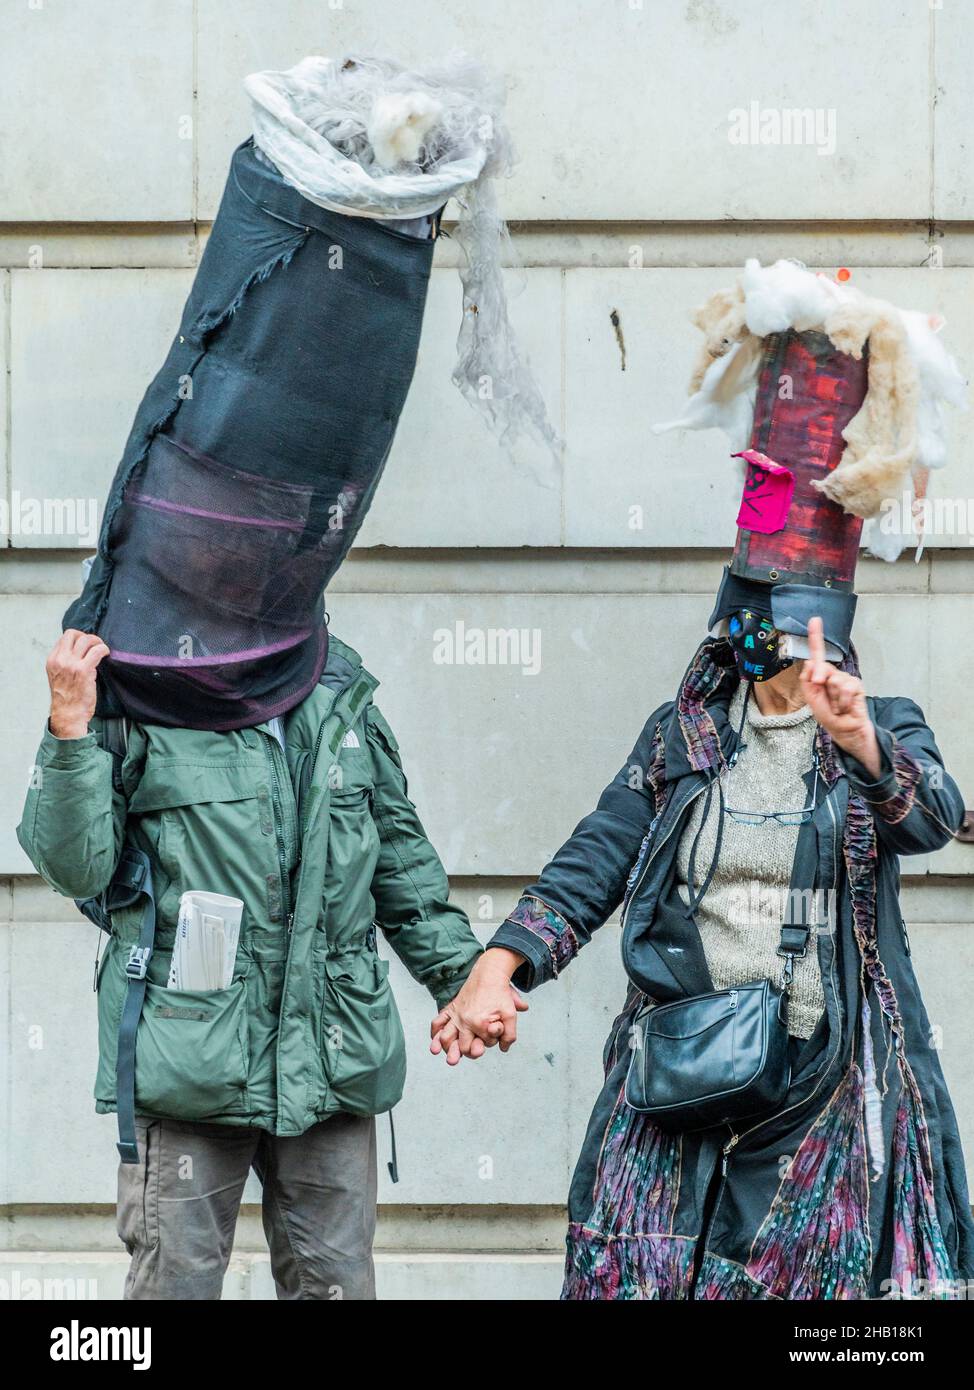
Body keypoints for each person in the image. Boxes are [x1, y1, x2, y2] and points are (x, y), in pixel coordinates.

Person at [431, 305, 974, 1300]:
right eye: (763, 633)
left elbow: (930, 814)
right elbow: (594, 858)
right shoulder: (682, 735)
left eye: (803, 637)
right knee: (638, 1274)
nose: (783, 655)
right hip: (677, 1066)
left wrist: (855, 739)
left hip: (820, 1088)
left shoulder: (881, 721)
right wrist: (498, 967)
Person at [19, 628, 482, 1301]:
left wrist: (466, 981)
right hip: (188, 1061)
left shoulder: (338, 692)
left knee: (339, 1288)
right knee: (172, 1288)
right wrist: (69, 725)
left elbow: (402, 866)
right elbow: (73, 866)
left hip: (332, 1057)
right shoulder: (138, 692)